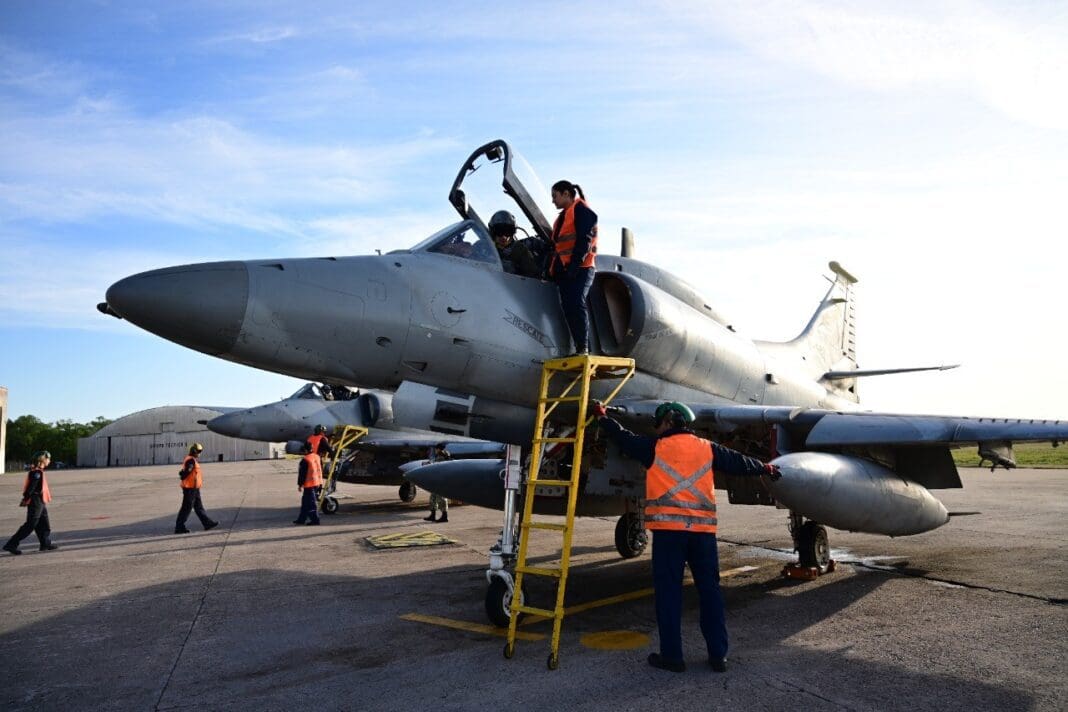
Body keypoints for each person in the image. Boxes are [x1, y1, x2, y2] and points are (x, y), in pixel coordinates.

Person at [591, 400, 781, 673]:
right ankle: (718, 656)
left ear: (668, 422)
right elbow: (737, 462)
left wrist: (602, 417)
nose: (657, 429)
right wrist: (765, 468)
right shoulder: (707, 448)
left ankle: (672, 657)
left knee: (669, 595)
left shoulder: (654, 447)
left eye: (659, 424)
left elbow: (624, 438)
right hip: (702, 534)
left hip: (669, 535)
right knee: (710, 593)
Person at [549, 180, 598, 355]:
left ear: (566, 194)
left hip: (582, 268)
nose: (553, 200)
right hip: (566, 269)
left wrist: (574, 266)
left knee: (576, 303)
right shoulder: (562, 218)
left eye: (555, 196)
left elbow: (584, 241)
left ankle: (584, 348)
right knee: (568, 307)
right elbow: (557, 246)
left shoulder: (582, 211)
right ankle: (579, 347)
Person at [4, 450, 59, 555]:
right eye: (48, 459)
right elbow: (31, 488)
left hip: (40, 501)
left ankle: (45, 543)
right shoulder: (36, 473)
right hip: (35, 501)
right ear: (43, 460)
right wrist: (25, 499)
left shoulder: (38, 471)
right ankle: (11, 544)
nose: (49, 461)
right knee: (30, 525)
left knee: (44, 523)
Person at [175, 443, 219, 534]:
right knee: (186, 508)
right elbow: (187, 471)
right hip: (190, 489)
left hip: (194, 488)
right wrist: (183, 475)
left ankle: (207, 523)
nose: (200, 453)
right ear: (194, 451)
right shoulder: (191, 460)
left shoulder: (191, 460)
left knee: (199, 507)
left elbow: (186, 472)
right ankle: (179, 527)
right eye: (199, 451)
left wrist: (183, 474)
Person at [488, 210, 545, 278]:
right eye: (499, 231)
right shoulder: (484, 247)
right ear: (493, 232)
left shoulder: (520, 249)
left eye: (508, 232)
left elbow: (532, 275)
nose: (504, 237)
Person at [293, 441, 322, 526]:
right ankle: (301, 519)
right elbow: (320, 469)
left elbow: (302, 474)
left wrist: (300, 485)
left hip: (309, 485)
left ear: (305, 450)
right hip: (317, 482)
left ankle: (315, 520)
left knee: (311, 503)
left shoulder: (305, 460)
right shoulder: (317, 457)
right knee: (305, 503)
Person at [423, 443, 451, 523]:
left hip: (441, 480)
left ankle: (444, 516)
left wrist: (428, 464)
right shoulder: (439, 456)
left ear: (438, 449)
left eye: (436, 449)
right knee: (433, 498)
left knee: (441, 498)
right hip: (437, 480)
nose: (435, 450)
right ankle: (433, 515)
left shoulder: (442, 456)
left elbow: (437, 466)